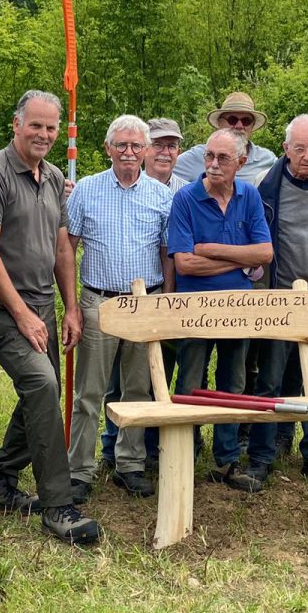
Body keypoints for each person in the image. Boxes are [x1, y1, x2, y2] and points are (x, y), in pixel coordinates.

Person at [0, 90, 102, 544]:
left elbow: (62, 247)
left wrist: (71, 307)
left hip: (43, 303)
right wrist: (23, 314)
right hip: (2, 307)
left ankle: (2, 481)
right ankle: (58, 506)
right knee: (43, 386)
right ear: (16, 125)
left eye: (51, 127)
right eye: (36, 125)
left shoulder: (54, 176)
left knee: (44, 392)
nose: (44, 134)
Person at [67, 116, 173, 499]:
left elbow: (167, 254)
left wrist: (166, 304)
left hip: (145, 304)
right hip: (99, 302)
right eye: (121, 145)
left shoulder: (161, 195)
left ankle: (129, 464)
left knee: (137, 390)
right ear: (108, 148)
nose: (129, 152)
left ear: (146, 150)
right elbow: (67, 248)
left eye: (136, 145)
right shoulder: (86, 189)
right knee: (89, 392)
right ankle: (79, 470)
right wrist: (71, 306)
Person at [169, 129, 274, 491]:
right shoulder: (185, 198)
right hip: (194, 308)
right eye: (209, 156)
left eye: (223, 158)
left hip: (237, 309)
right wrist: (241, 260)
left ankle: (227, 461)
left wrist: (209, 249)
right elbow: (184, 263)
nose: (213, 164)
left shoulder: (250, 196)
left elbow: (265, 253)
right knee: (190, 383)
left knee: (234, 384)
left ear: (240, 163)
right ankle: (181, 457)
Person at [249, 115, 308, 478]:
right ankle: (261, 457)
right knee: (269, 380)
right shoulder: (265, 184)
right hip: (279, 296)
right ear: (286, 149)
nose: (307, 156)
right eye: (300, 148)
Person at [99, 116, 185, 469]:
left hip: (156, 298)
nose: (164, 152)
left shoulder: (181, 193)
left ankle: (141, 452)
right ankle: (111, 447)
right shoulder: (99, 188)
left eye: (171, 145)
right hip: (110, 297)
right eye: (159, 144)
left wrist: (167, 299)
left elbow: (169, 253)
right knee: (112, 381)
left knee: (150, 378)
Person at [171, 91, 277, 186]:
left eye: (246, 121)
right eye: (232, 120)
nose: (239, 126)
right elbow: (164, 175)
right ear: (219, 123)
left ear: (252, 126)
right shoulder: (196, 156)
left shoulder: (267, 159)